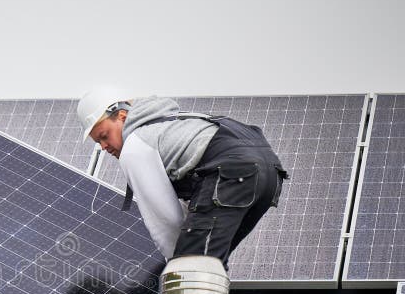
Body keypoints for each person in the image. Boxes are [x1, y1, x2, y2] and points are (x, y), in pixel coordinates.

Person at [77, 85, 288, 269]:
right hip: (268, 174)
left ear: (122, 117)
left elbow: (167, 223)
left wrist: (177, 265)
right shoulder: (170, 123)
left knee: (193, 264)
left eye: (104, 136)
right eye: (98, 142)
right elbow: (193, 210)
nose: (104, 147)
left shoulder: (135, 146)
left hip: (232, 174)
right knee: (210, 263)